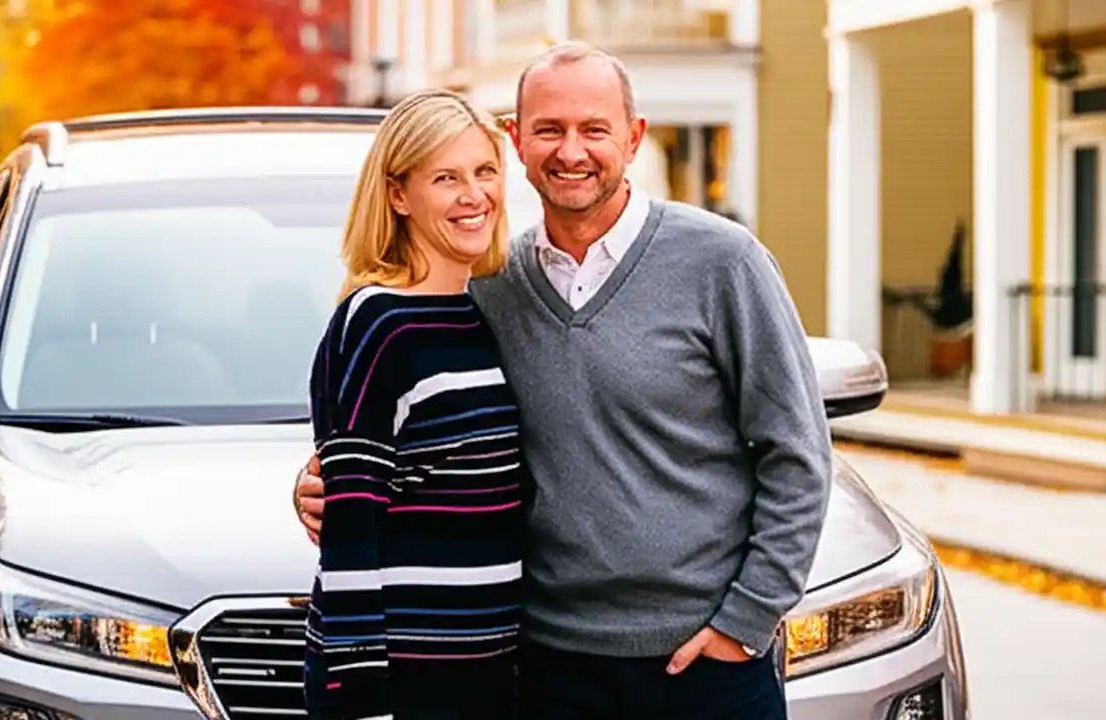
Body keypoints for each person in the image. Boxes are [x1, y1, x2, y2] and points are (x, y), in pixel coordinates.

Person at [295, 43, 832, 719]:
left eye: (594, 129)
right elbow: (398, 430)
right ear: (518, 141)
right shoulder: (492, 289)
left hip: (705, 666)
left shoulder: (724, 264)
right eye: (549, 129)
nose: (571, 151)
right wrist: (321, 484)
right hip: (550, 670)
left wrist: (745, 621)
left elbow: (798, 454)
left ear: (633, 137)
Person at [301, 89, 527, 719]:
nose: (474, 195)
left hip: (489, 674)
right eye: (446, 178)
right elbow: (351, 526)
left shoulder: (483, 315)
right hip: (403, 680)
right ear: (398, 195)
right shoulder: (378, 322)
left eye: (485, 172)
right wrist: (361, 701)